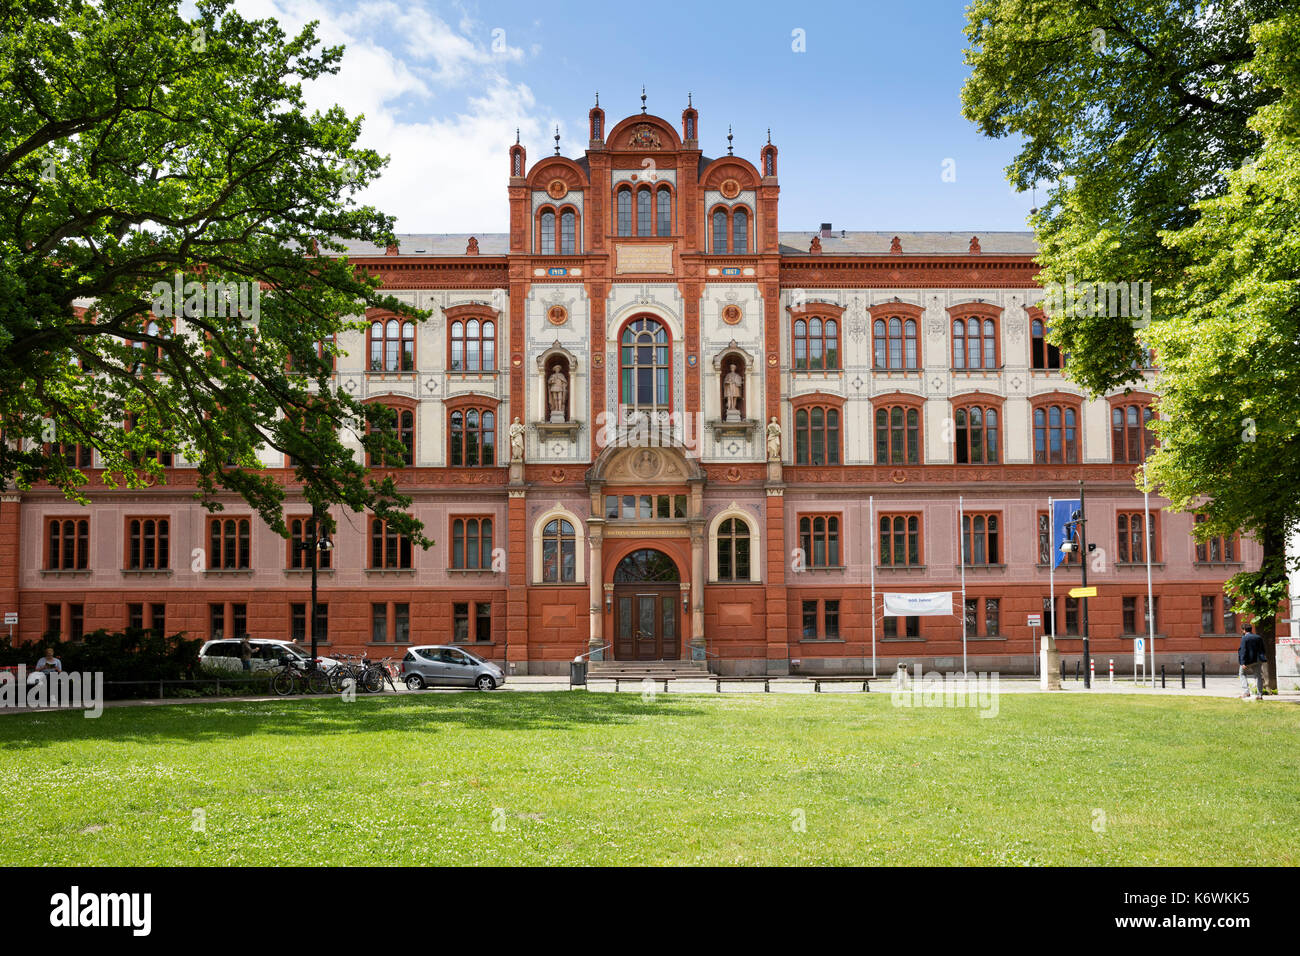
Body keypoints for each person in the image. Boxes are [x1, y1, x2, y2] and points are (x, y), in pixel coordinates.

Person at [1238, 626, 1266, 700]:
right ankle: (1259, 695)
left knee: (1242, 674)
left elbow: (1243, 650)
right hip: (1257, 660)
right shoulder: (1258, 637)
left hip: (1248, 661)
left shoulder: (1244, 638)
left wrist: (1243, 662)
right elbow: (1263, 649)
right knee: (1258, 676)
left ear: (1244, 630)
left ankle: (1246, 692)